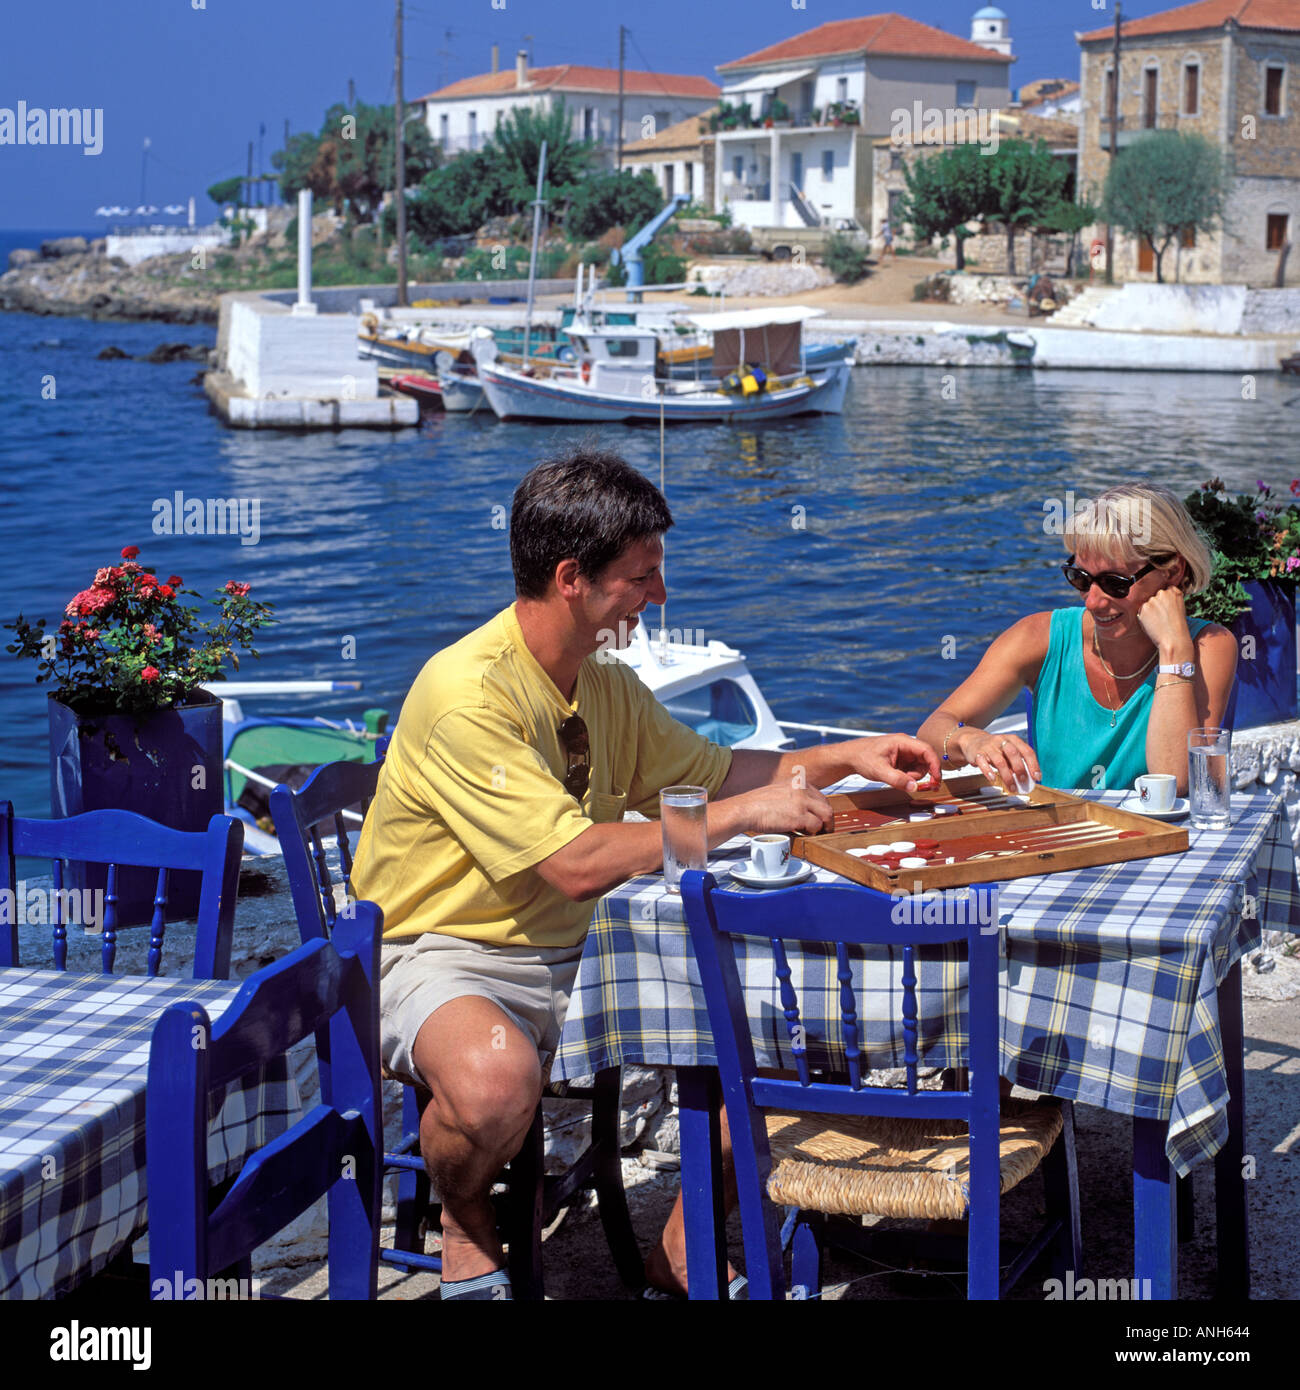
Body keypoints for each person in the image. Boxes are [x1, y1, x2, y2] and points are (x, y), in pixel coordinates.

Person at [351, 445, 940, 1300]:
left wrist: (851, 757)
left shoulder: (605, 682)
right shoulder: (466, 694)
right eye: (642, 576)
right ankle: (465, 1221)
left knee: (775, 1024)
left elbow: (718, 771)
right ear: (570, 579)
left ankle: (683, 1240)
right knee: (494, 1082)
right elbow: (573, 864)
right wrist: (738, 819)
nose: (660, 596)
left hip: (581, 949)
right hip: (438, 949)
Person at [916, 483, 1237, 796]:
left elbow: (1176, 779)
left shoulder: (1209, 646)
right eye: (1081, 578)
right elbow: (932, 733)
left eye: (1115, 582)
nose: (1093, 601)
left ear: (1173, 571)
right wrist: (971, 741)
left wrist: (1173, 650)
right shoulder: (1037, 637)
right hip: (1060, 835)